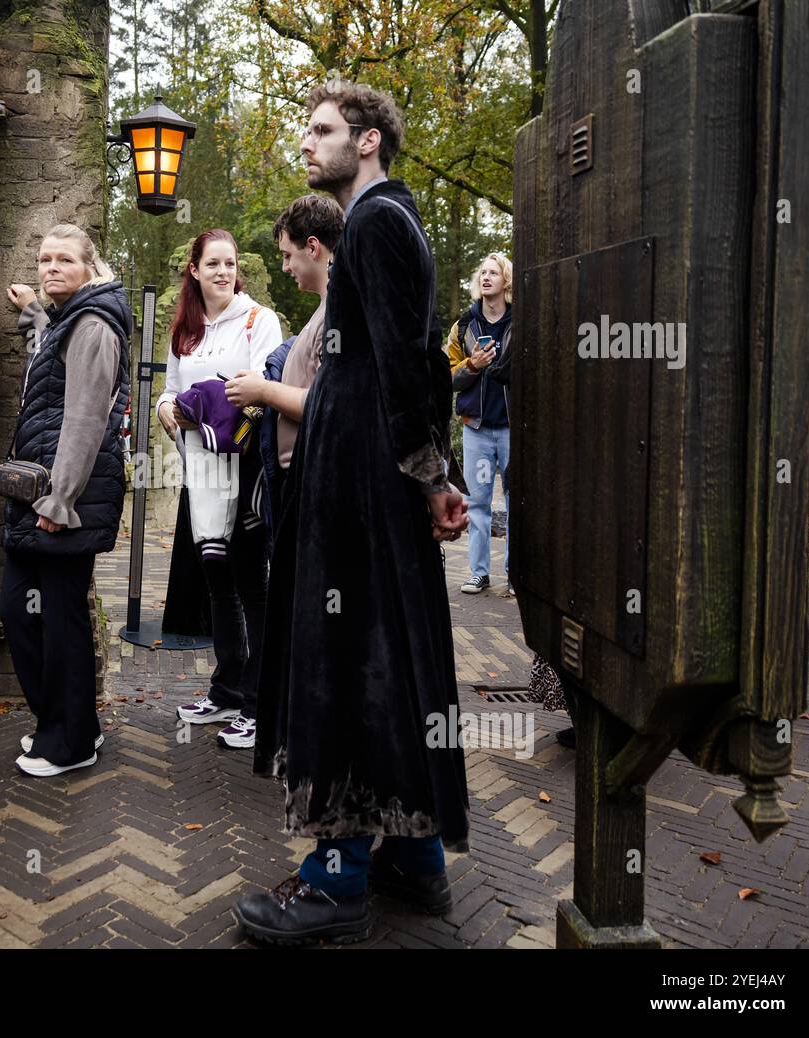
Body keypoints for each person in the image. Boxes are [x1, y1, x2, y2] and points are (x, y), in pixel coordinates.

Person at [232, 80, 470, 945]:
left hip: (363, 488)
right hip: (363, 476)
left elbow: (414, 364)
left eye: (325, 130)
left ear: (368, 142)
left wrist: (429, 474)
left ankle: (337, 877)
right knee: (384, 652)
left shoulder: (373, 223)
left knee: (350, 656)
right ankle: (414, 858)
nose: (309, 142)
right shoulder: (385, 224)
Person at [0, 224, 131, 777]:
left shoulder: (95, 324)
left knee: (58, 619)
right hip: (45, 497)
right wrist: (33, 310)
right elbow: (53, 345)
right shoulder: (70, 317)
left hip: (63, 500)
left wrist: (60, 501)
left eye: (64, 261)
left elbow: (84, 419)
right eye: (44, 259)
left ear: (89, 268)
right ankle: (72, 726)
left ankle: (69, 742)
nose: (51, 267)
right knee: (27, 611)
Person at [157, 230, 282, 750]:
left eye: (230, 263)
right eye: (213, 263)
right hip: (202, 472)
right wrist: (170, 411)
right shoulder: (183, 329)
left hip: (247, 470)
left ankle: (260, 703)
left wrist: (215, 404)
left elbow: (266, 391)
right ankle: (228, 686)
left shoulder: (258, 320)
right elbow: (169, 392)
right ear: (194, 269)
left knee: (252, 582)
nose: (223, 272)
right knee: (217, 580)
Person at [228, 194, 342, 546]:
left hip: (318, 484)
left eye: (286, 256)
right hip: (300, 482)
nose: (284, 267)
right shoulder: (324, 311)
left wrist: (262, 391)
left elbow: (327, 406)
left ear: (312, 247)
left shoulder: (339, 314)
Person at [448, 253, 513, 596]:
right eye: (483, 272)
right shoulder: (464, 326)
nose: (487, 277)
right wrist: (472, 366)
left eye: (494, 272)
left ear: (506, 281)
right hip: (476, 428)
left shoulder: (520, 322)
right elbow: (447, 377)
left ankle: (514, 575)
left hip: (513, 427)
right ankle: (478, 573)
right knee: (478, 503)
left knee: (518, 503)